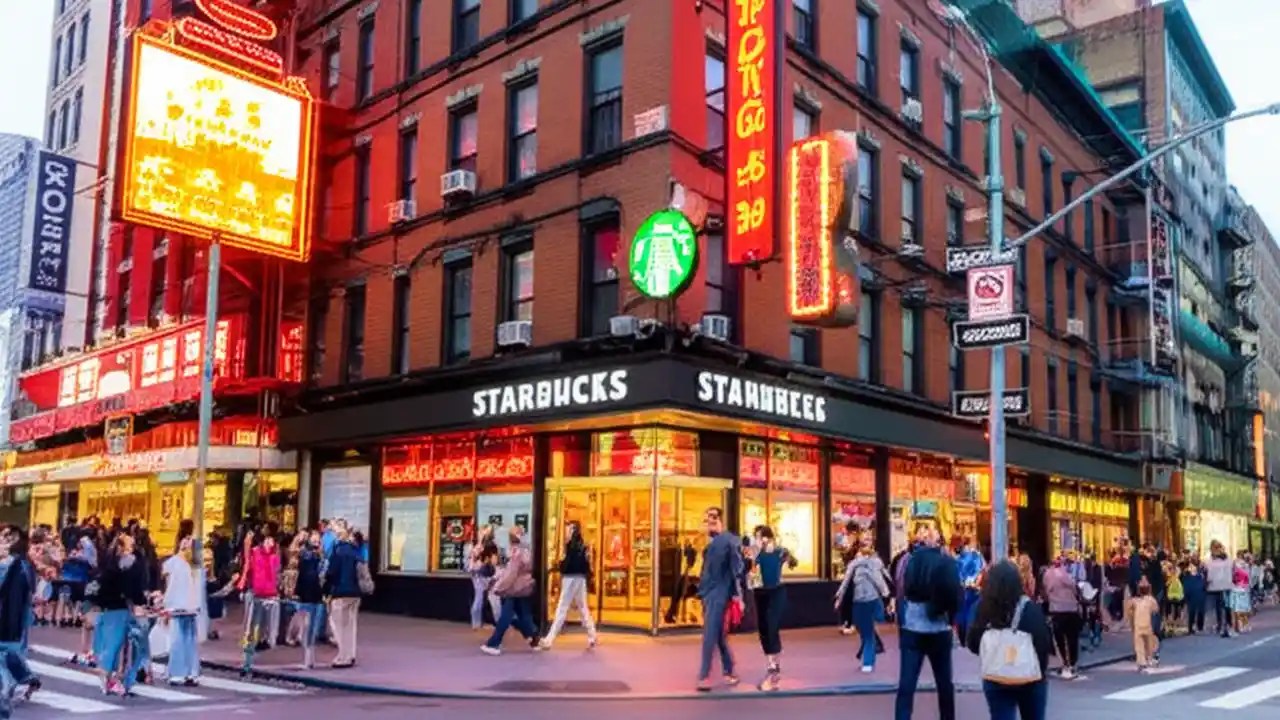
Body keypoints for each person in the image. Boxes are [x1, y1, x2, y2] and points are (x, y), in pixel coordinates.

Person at [965, 560, 1052, 720]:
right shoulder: (1029, 608)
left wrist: (992, 649)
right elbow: (1043, 643)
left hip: (995, 675)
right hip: (1029, 678)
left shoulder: (982, 608)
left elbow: (972, 642)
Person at [895, 524, 961, 720]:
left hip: (912, 626)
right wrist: (949, 616)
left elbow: (901, 588)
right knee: (944, 683)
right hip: (939, 628)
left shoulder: (910, 560)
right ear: (939, 540)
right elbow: (954, 593)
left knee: (907, 684)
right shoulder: (946, 562)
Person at [695, 507, 743, 692]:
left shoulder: (729, 541)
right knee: (717, 634)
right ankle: (729, 670)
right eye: (707, 519)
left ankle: (704, 676)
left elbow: (737, 569)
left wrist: (737, 595)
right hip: (710, 594)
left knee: (709, 633)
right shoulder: (711, 544)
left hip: (719, 594)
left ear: (721, 520)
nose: (709, 522)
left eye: (713, 519)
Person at [94, 533, 148, 696]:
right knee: (120, 644)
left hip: (107, 608)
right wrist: (141, 601)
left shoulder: (108, 562)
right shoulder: (130, 563)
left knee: (110, 644)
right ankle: (113, 678)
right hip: (121, 607)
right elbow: (133, 588)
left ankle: (109, 678)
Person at [748, 525, 796, 691]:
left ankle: (774, 668)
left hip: (776, 592)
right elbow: (750, 571)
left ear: (768, 538)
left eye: (760, 537)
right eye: (756, 537)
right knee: (762, 628)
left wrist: (788, 558)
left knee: (771, 625)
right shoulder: (756, 553)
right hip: (759, 592)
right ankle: (771, 663)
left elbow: (792, 562)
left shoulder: (779, 551)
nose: (758, 540)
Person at [0, 526, 40, 715]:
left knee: (7, 656)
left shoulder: (12, 565)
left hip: (9, 620)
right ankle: (26, 678)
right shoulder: (23, 565)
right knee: (11, 655)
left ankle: (14, 683)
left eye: (7, 538)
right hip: (15, 621)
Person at [538, 522, 597, 650]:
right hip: (580, 579)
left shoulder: (569, 547)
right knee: (583, 607)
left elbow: (565, 565)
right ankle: (592, 634)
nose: (566, 532)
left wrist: (559, 564)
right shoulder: (584, 547)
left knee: (562, 607)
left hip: (569, 579)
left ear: (572, 532)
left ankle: (549, 639)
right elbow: (586, 566)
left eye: (569, 530)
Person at [835, 538, 889, 674]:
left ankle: (867, 661)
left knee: (867, 632)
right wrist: (887, 593)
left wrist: (839, 598)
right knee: (867, 631)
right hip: (871, 600)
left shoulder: (857, 564)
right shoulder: (873, 563)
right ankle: (867, 654)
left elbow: (845, 583)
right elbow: (882, 580)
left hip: (863, 601)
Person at [481, 526, 537, 655]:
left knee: (506, 616)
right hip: (524, 587)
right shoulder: (526, 551)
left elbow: (511, 574)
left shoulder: (516, 553)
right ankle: (534, 639)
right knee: (524, 615)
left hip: (513, 588)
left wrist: (499, 587)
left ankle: (494, 643)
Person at [161, 537, 201, 686]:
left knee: (178, 640)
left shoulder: (176, 562)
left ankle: (178, 673)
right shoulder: (196, 566)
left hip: (178, 606)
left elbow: (165, 576)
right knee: (189, 640)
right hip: (191, 606)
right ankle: (191, 672)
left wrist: (165, 603)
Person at [324, 525, 364, 668]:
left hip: (340, 592)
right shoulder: (356, 552)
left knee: (338, 625)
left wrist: (326, 589)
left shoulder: (338, 551)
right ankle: (351, 654)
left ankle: (343, 656)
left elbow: (331, 573)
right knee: (351, 625)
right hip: (355, 593)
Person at [1041, 557, 1082, 680]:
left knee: (1059, 639)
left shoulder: (1048, 575)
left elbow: (1046, 591)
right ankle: (1073, 664)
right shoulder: (1067, 574)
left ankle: (1065, 664)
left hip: (1057, 610)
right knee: (1072, 638)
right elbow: (1075, 589)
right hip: (1071, 608)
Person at [466, 526, 501, 630]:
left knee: (479, 598)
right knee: (494, 599)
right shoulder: (491, 545)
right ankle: (499, 622)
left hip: (476, 574)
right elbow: (494, 561)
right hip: (488, 574)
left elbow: (471, 559)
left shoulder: (473, 545)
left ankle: (476, 623)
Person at [1127, 578, 1160, 673]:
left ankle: (1142, 662)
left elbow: (1129, 611)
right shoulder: (1151, 600)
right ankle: (1149, 658)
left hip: (1138, 625)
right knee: (1149, 643)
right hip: (1147, 625)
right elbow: (1156, 610)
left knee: (1139, 645)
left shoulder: (1134, 601)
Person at [1204, 541, 1234, 637]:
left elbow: (1231, 570)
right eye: (1214, 548)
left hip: (1224, 586)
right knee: (1218, 607)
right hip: (1215, 587)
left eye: (1217, 548)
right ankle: (1220, 625)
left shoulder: (1227, 560)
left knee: (1225, 606)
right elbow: (1208, 574)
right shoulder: (1209, 561)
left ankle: (1227, 625)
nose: (1215, 550)